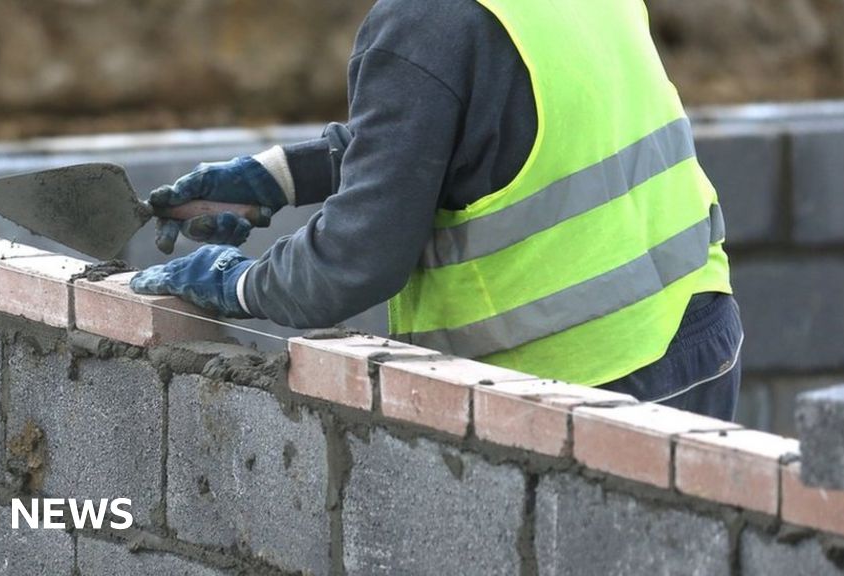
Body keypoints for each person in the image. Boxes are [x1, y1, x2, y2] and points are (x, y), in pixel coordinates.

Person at [130, 0, 744, 420]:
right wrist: (282, 177)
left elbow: (351, 265)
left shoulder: (424, 22)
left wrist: (232, 282)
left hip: (583, 383)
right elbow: (479, 133)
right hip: (700, 331)